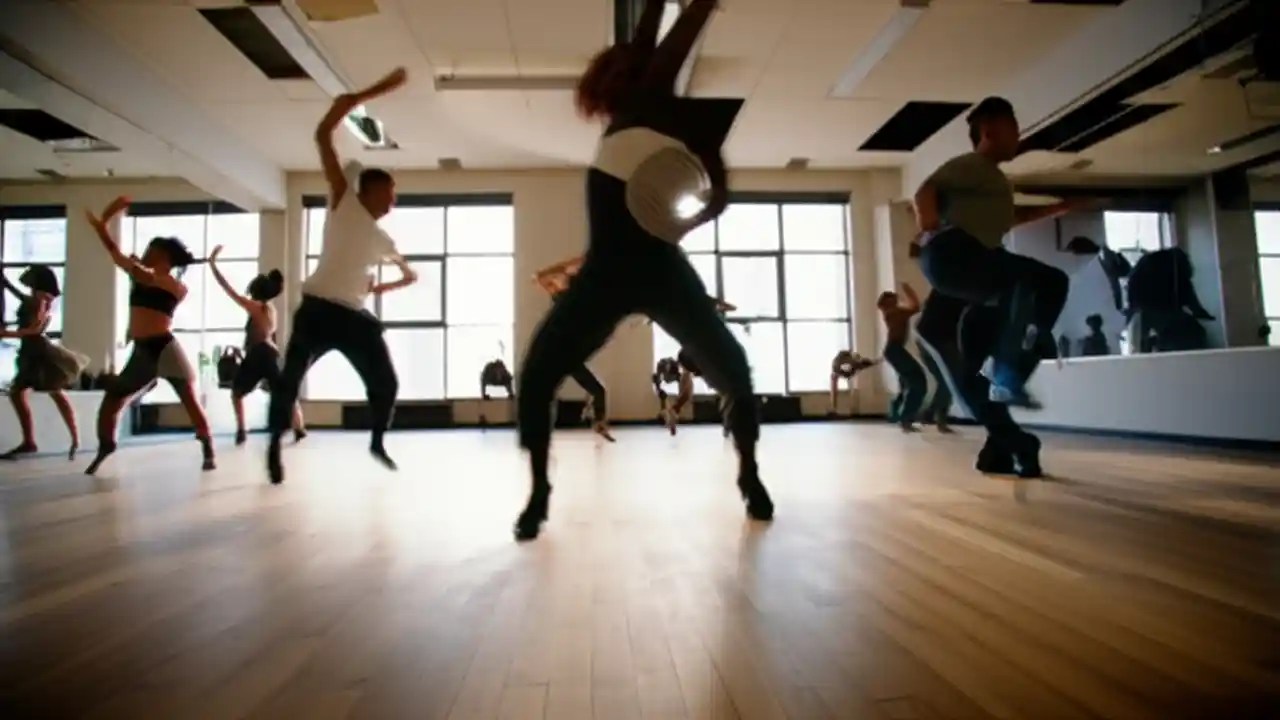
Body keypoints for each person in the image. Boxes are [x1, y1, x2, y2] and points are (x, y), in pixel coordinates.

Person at [514, 0, 771, 541]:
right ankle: (539, 490)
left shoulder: (654, 107)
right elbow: (652, 44)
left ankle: (749, 474)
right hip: (609, 272)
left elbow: (667, 42)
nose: (645, 65)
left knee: (733, 369)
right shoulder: (639, 114)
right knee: (536, 376)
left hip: (658, 268)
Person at [266, 67, 418, 485]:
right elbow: (322, 138)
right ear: (366, 191)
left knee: (386, 383)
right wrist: (350, 103)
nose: (391, 202)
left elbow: (397, 274)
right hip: (316, 312)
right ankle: (273, 447)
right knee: (289, 380)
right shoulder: (343, 203)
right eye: (388, 194)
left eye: (394, 197)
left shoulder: (381, 238)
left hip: (352, 317)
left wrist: (404, 275)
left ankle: (377, 442)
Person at [913, 97, 1075, 407]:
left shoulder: (991, 182)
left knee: (1013, 295)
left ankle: (998, 367)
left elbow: (1012, 219)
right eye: (1012, 128)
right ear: (988, 132)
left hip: (962, 259)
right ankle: (1009, 368)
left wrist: (1058, 209)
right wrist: (932, 230)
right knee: (1047, 282)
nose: (1018, 136)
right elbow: (925, 191)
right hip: (954, 252)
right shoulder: (975, 165)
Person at [84, 196, 215, 474]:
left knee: (189, 398)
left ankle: (207, 447)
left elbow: (131, 266)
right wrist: (102, 226)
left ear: (164, 257)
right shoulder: (142, 275)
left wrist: (103, 227)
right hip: (142, 351)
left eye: (151, 249)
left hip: (165, 348)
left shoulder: (174, 285)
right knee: (113, 401)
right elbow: (120, 258)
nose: (145, 252)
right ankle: (105, 446)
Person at [206, 246, 306, 446]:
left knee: (237, 393)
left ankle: (241, 430)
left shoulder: (256, 306)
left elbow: (229, 290)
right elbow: (272, 336)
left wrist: (213, 264)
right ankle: (299, 427)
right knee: (285, 393)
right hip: (270, 353)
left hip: (259, 354)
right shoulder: (271, 310)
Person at [1, 266, 88, 460]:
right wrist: (7, 284)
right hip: (32, 351)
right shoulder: (40, 297)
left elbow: (35, 329)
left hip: (37, 352)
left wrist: (8, 334)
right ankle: (71, 439)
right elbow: (24, 300)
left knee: (45, 393)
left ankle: (35, 441)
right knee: (48, 394)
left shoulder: (40, 298)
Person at [532, 255, 615, 441]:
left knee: (598, 390)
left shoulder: (580, 300)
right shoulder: (559, 295)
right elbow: (538, 276)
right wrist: (565, 267)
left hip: (570, 355)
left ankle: (599, 423)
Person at [878, 283, 927, 432]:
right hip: (895, 350)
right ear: (888, 303)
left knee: (907, 383)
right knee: (918, 381)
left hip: (894, 350)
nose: (898, 300)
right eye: (894, 299)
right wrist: (908, 290)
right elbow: (916, 307)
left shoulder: (891, 312)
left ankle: (897, 415)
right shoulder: (894, 313)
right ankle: (905, 418)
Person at [828, 349, 877, 415]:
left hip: (845, 367)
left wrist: (876, 361)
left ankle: (834, 408)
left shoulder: (858, 364)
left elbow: (869, 363)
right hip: (839, 366)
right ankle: (833, 408)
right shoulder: (841, 361)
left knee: (858, 366)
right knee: (834, 378)